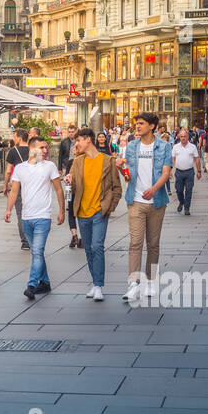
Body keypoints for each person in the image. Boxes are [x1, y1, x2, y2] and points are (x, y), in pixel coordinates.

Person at [5, 134, 64, 301]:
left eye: (46, 147)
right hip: (26, 218)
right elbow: (15, 190)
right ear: (32, 149)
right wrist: (8, 209)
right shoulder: (21, 168)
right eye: (42, 147)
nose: (46, 150)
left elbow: (59, 189)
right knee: (36, 253)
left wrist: (61, 211)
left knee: (37, 251)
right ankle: (45, 282)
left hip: (43, 217)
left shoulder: (50, 166)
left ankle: (32, 285)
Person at [121, 112, 173, 301]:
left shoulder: (164, 146)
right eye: (137, 123)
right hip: (135, 201)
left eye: (141, 123)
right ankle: (133, 284)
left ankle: (150, 281)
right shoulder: (132, 146)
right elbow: (128, 175)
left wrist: (154, 189)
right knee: (135, 243)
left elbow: (166, 172)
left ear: (152, 126)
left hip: (157, 202)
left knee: (153, 244)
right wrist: (121, 168)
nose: (137, 126)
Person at [69, 127, 122, 302]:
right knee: (89, 250)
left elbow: (117, 188)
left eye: (78, 140)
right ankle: (94, 282)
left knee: (97, 246)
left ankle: (98, 285)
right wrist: (69, 181)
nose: (76, 144)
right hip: (82, 212)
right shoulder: (77, 162)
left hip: (99, 211)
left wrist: (108, 207)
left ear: (88, 140)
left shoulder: (107, 161)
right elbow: (75, 187)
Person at [3, 128, 32, 250]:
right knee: (32, 210)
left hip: (18, 184)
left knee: (21, 213)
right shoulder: (33, 150)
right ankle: (33, 237)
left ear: (19, 138)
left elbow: (8, 171)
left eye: (15, 137)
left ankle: (25, 241)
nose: (14, 139)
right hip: (32, 184)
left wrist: (5, 186)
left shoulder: (13, 151)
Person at [171, 127, 201, 216]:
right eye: (181, 136)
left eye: (184, 136)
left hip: (189, 172)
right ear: (179, 137)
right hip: (179, 172)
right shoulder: (175, 147)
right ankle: (181, 202)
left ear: (188, 137)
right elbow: (173, 159)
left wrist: (199, 171)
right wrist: (169, 171)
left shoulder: (192, 147)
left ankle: (187, 208)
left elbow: (197, 159)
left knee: (189, 190)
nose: (183, 138)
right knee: (179, 190)